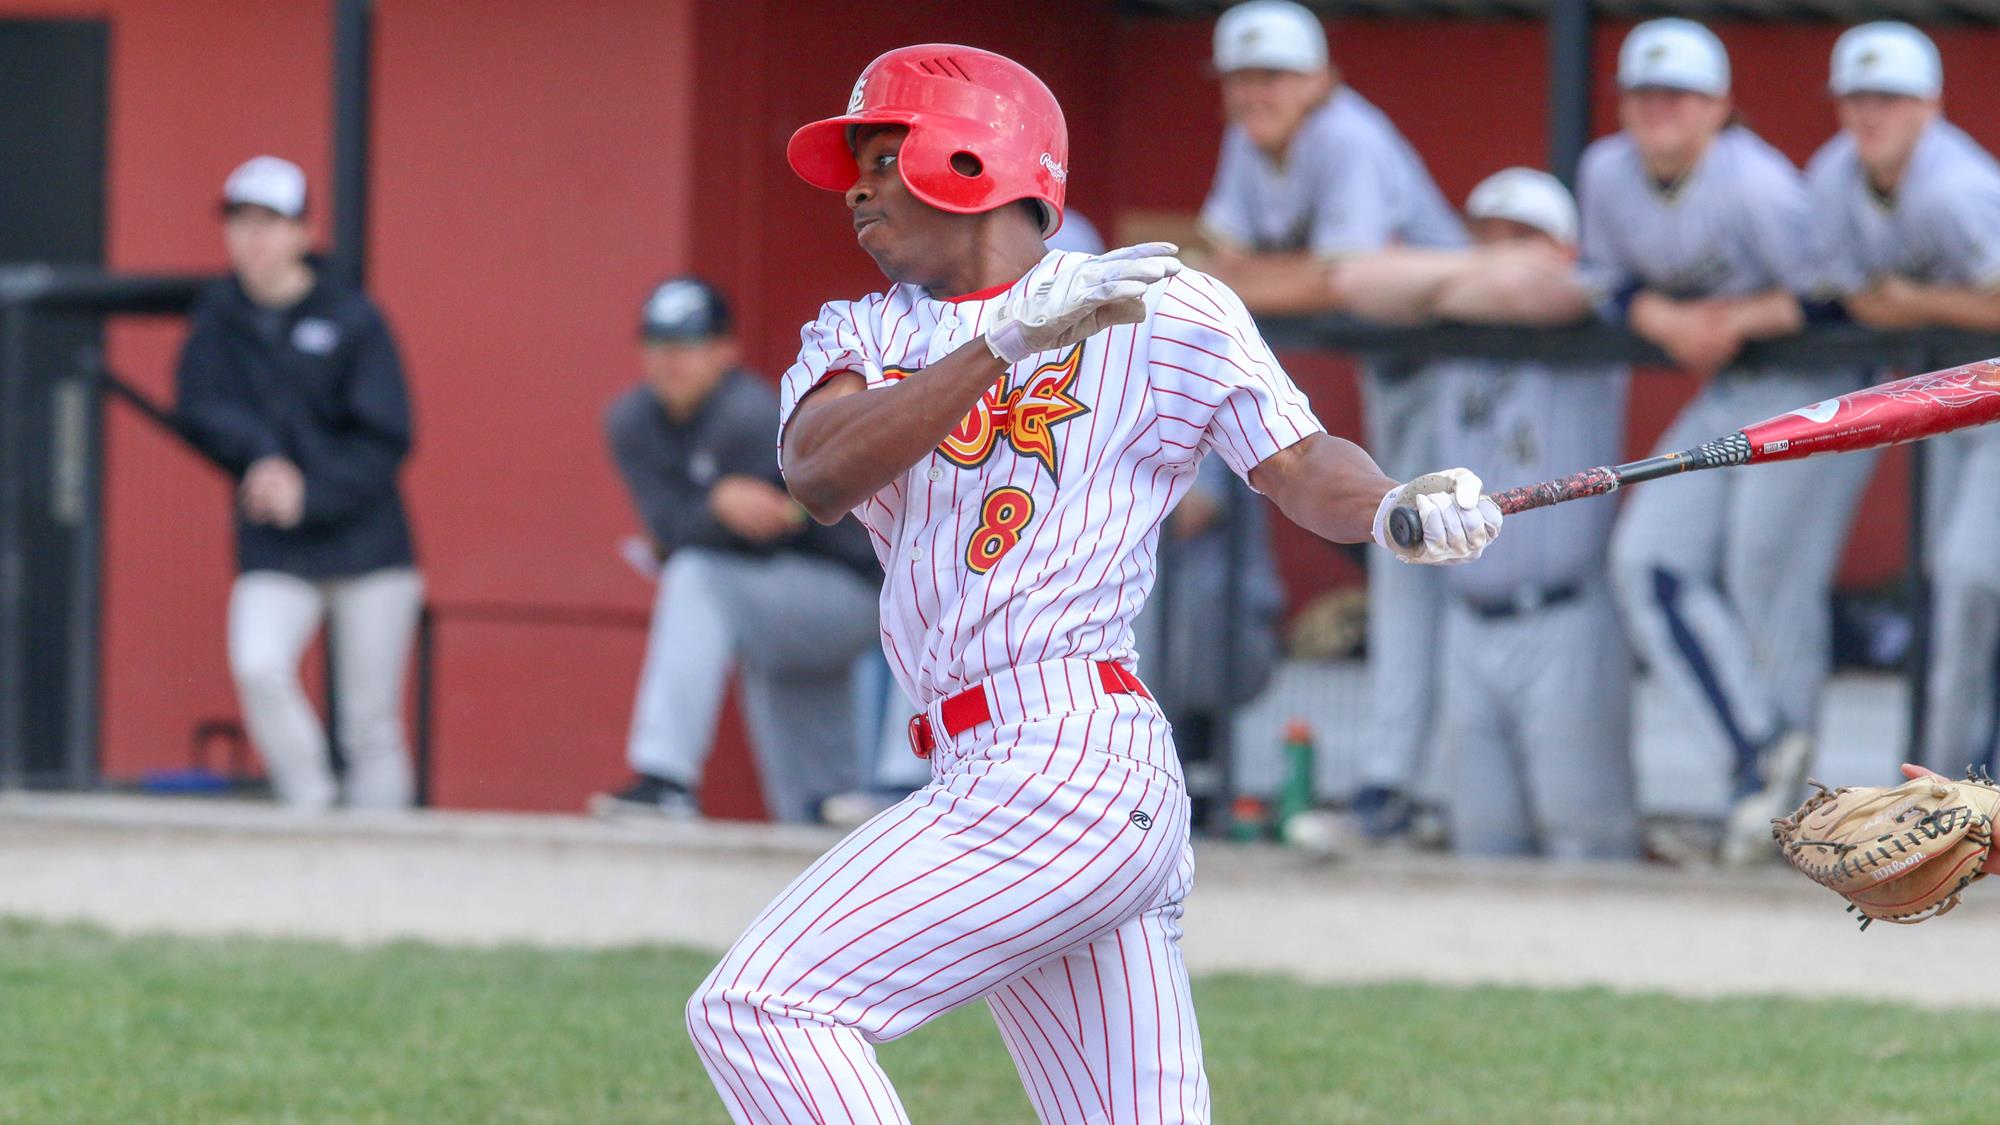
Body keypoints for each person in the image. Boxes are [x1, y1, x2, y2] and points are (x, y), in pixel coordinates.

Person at [685, 43, 1500, 1122]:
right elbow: (820, 472)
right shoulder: (860, 332)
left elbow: (1301, 468)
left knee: (760, 1008)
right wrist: (1008, 343)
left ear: (977, 158)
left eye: (884, 154)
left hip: (1065, 753)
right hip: (986, 765)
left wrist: (1398, 506)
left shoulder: (1160, 305)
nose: (858, 188)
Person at [1583, 20, 1876, 867]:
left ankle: (1795, 822)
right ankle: (1760, 752)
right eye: (1644, 95)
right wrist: (1662, 318)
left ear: (1720, 106)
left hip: (1822, 384)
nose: (1658, 111)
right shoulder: (1607, 170)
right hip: (1738, 382)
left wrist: (1742, 318)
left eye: (1678, 96)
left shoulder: (1759, 187)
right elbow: (1604, 278)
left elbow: (1842, 293)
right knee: (1646, 556)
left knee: (1766, 574)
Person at [1195, 0, 1469, 839]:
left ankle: (1402, 784)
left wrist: (1249, 279)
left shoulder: (1347, 134)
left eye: (1273, 76)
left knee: (1435, 554)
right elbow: (1220, 257)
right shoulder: (1251, 143)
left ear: (1321, 80)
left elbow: (1342, 281)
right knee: (1411, 557)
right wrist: (1254, 276)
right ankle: (1398, 787)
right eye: (1242, 79)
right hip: (1396, 371)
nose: (1255, 94)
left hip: (1462, 362)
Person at [1333, 169, 1638, 858]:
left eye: (1520, 237)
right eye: (1485, 236)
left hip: (1565, 618)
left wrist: (1460, 277)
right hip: (1465, 625)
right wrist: (1470, 272)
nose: (1499, 251)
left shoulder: (1580, 296)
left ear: (1562, 247)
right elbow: (1355, 281)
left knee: (1588, 847)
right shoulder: (1453, 308)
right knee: (1481, 847)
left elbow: (1522, 288)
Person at [173, 155, 422, 814]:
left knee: (371, 722)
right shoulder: (217, 317)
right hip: (277, 542)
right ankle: (311, 807)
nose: (253, 237)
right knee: (259, 662)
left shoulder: (353, 317)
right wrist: (260, 460)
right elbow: (199, 409)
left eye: (271, 221)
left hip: (368, 544)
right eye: (240, 221)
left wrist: (311, 491)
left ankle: (380, 863)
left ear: (305, 232)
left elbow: (387, 438)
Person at [592, 277, 882, 823]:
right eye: (659, 344)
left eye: (689, 344)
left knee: (699, 578)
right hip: (779, 599)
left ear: (725, 350)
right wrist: (716, 505)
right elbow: (672, 527)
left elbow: (754, 531)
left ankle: (666, 777)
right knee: (816, 813)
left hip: (857, 593)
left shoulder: (748, 412)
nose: (671, 360)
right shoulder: (630, 420)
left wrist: (711, 517)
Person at [1800, 23, 2000, 777]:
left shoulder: (1959, 190)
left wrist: (1913, 300)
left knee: (1972, 579)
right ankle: (1941, 791)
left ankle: (1956, 793)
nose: (1868, 115)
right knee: (1951, 586)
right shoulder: (1832, 176)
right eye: (1855, 99)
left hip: (1990, 396)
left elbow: (1888, 302)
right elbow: (1838, 294)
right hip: (1946, 403)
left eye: (1888, 98)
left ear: (1930, 105)